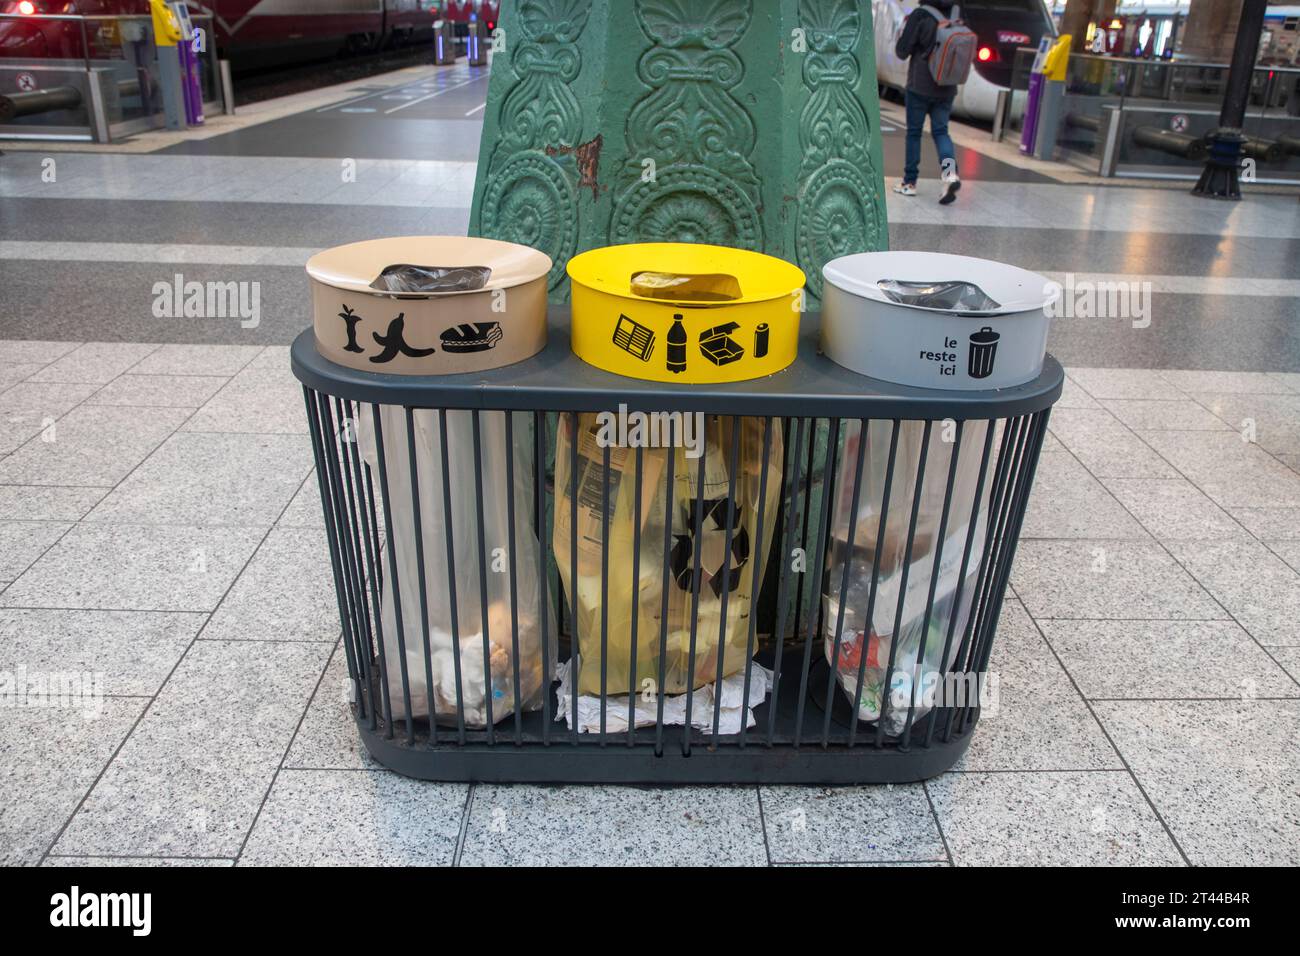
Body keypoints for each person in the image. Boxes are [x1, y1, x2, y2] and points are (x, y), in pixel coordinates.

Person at [893, 1, 962, 205]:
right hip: (947, 85)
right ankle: (950, 175)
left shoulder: (921, 15)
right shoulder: (955, 11)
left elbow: (902, 51)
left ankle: (909, 182)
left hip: (920, 86)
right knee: (941, 132)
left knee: (914, 133)